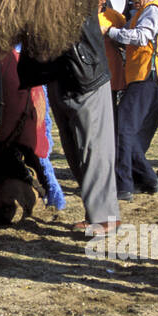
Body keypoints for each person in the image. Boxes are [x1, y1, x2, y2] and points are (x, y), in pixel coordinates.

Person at [19, 13, 121, 237]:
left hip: (86, 76)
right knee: (75, 153)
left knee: (94, 149)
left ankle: (106, 218)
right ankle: (94, 214)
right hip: (60, 74)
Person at [104, 0, 158, 199]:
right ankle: (147, 179)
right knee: (128, 132)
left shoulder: (153, 9)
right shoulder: (152, 9)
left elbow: (141, 37)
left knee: (122, 129)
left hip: (149, 75)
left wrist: (109, 32)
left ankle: (125, 185)